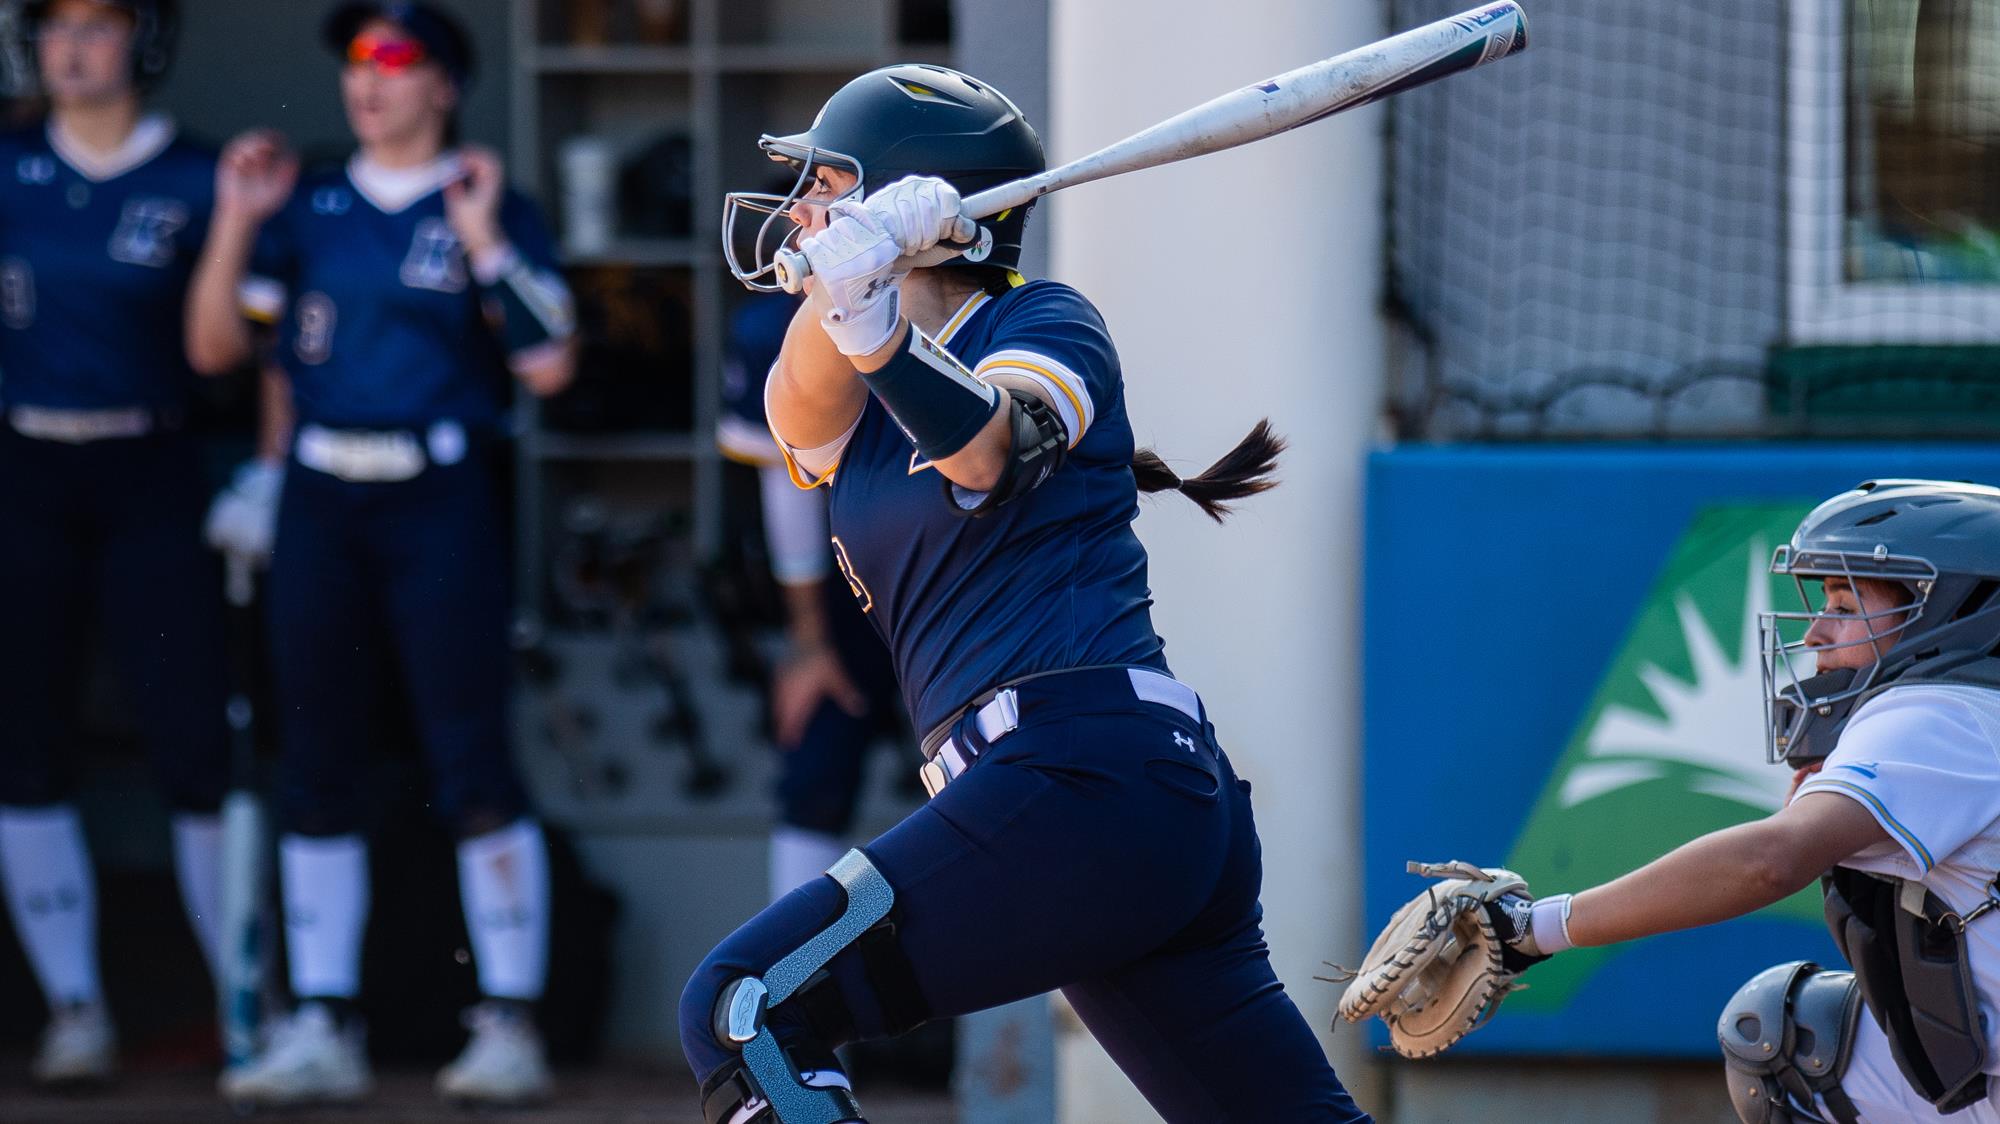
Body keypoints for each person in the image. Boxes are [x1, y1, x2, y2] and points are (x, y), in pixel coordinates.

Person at [685, 64, 1374, 1123]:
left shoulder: (1048, 318)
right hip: (1088, 804)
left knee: (741, 1004)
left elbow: (991, 452)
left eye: (831, 181)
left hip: (1086, 770)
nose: (805, 209)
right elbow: (796, 413)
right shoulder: (850, 381)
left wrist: (880, 314)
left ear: (921, 206)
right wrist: (861, 300)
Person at [183, 0, 576, 1108]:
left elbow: (550, 362)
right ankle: (323, 1019)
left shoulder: (483, 202)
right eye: (357, 61)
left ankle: (509, 1022)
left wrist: (491, 238)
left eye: (396, 60)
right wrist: (230, 217)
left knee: (469, 754)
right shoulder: (304, 200)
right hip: (318, 496)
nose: (370, 79)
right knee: (314, 758)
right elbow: (221, 348)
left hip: (438, 493)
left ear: (443, 83)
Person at [1455, 479, 2000, 1124]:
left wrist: (1532, 929)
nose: (1817, 632)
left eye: (1847, 604)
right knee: (1798, 1032)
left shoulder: (1944, 714)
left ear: (1957, 616)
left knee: (1782, 1033)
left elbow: (1766, 861)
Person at [0, 0, 230, 1087]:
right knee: (22, 739)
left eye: (98, 22)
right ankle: (73, 1006)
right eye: (53, 25)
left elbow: (239, 353)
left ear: (141, 40)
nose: (74, 45)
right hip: (24, 466)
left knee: (190, 737)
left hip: (153, 466)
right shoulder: (7, 168)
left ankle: (242, 1002)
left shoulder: (198, 176)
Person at [717, 290, 906, 903]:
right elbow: (785, 470)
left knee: (987, 768)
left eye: (824, 187)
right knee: (816, 773)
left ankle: (987, 980)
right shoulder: (781, 316)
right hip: (851, 574)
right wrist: (809, 637)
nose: (803, 214)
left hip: (956, 564)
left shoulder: (964, 295)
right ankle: (794, 983)